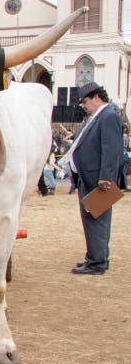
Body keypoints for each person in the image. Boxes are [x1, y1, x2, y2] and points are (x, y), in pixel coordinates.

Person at [69, 82, 124, 276]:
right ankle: (96, 256)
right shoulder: (99, 116)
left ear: (96, 97)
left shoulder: (108, 116)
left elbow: (112, 150)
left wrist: (106, 177)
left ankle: (97, 262)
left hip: (97, 179)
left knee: (96, 219)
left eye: (85, 101)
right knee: (94, 219)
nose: (84, 105)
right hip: (90, 176)